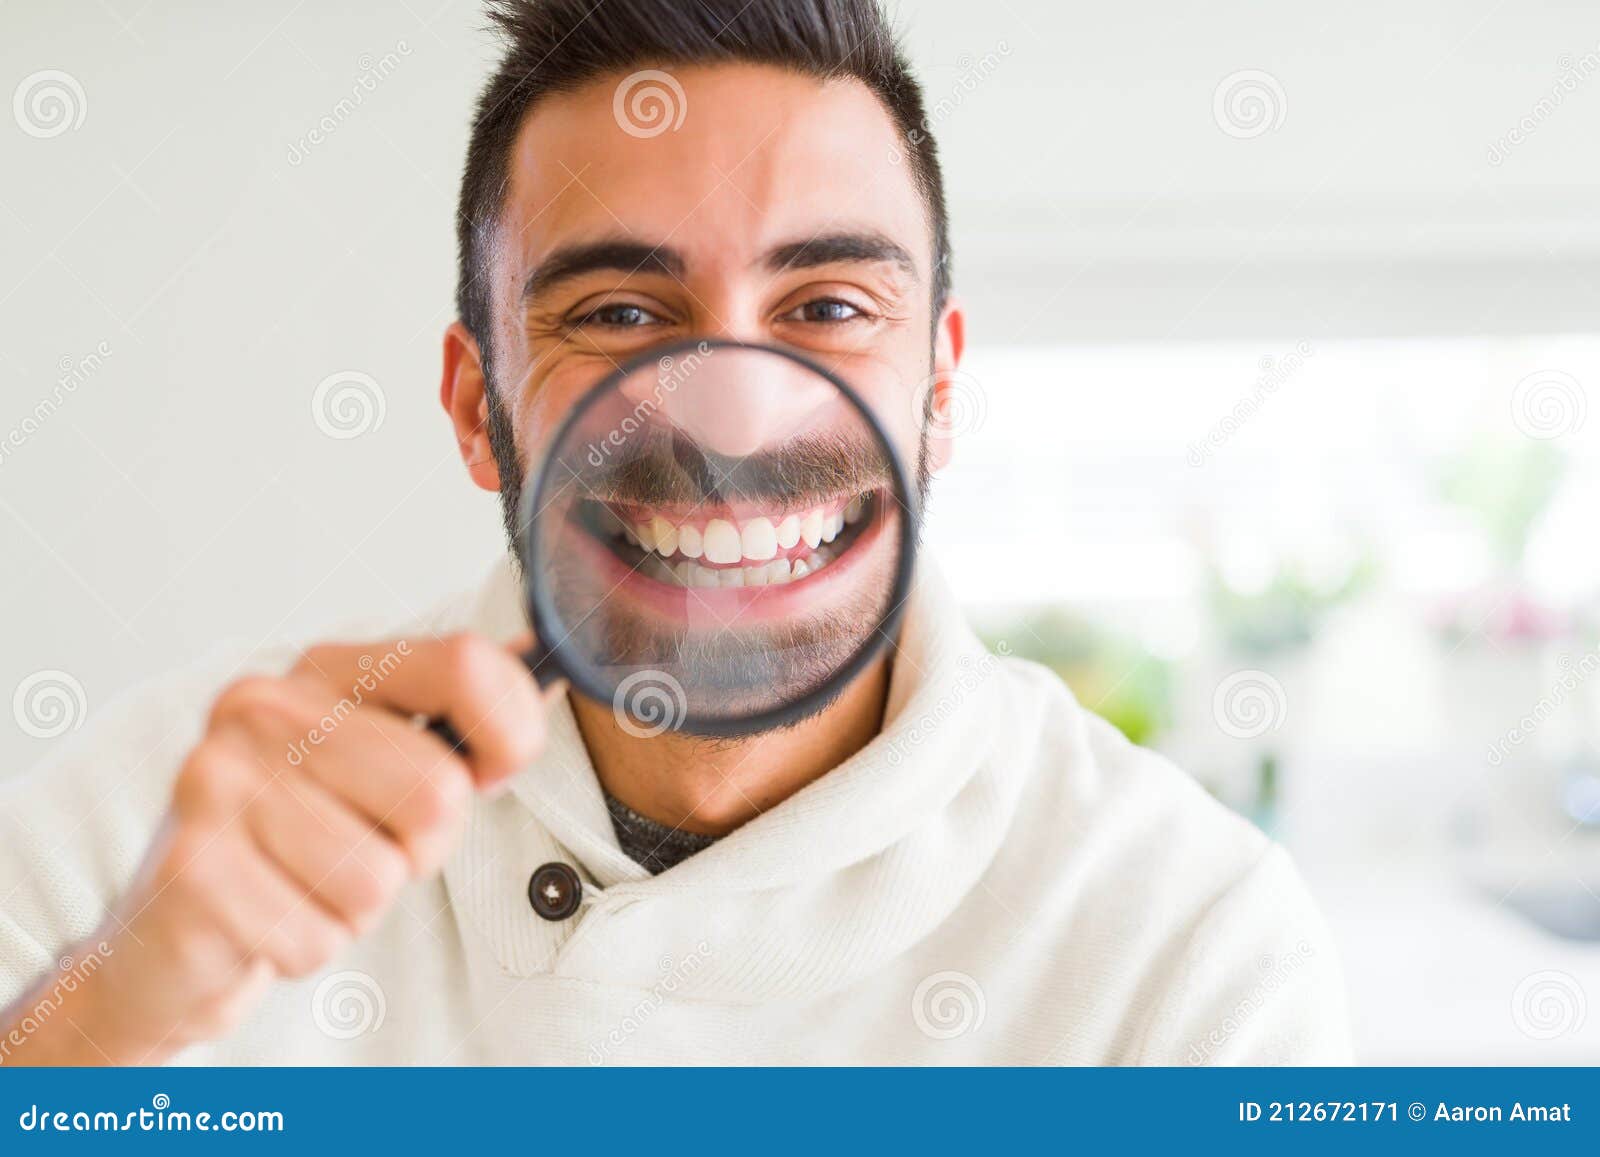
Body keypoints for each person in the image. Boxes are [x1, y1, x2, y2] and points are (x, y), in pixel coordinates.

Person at [0, 0, 1350, 1065]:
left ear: (939, 395)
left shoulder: (1186, 943)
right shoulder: (159, 828)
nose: (732, 422)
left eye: (828, 308)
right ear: (477, 411)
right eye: (620, 315)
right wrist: (95, 1032)